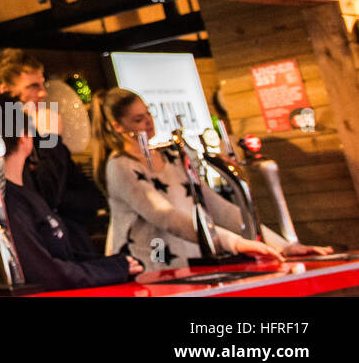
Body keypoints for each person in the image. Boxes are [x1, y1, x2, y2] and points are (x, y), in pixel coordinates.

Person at [90, 87, 333, 269]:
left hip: (188, 261)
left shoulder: (173, 156)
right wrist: (234, 243)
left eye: (148, 114)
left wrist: (283, 245)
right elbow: (167, 217)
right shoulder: (120, 166)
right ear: (117, 126)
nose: (148, 122)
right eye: (137, 119)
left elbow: (217, 207)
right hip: (148, 266)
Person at [0, 93, 140, 292]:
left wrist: (114, 264)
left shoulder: (18, 192)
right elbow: (44, 274)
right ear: (25, 138)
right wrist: (112, 268)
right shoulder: (1, 198)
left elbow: (61, 257)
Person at [0, 48, 104, 256]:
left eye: (42, 84)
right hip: (41, 257)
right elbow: (41, 203)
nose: (43, 93)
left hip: (74, 250)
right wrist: (53, 141)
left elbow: (92, 199)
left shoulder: (42, 136)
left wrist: (58, 205)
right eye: (33, 86)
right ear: (5, 90)